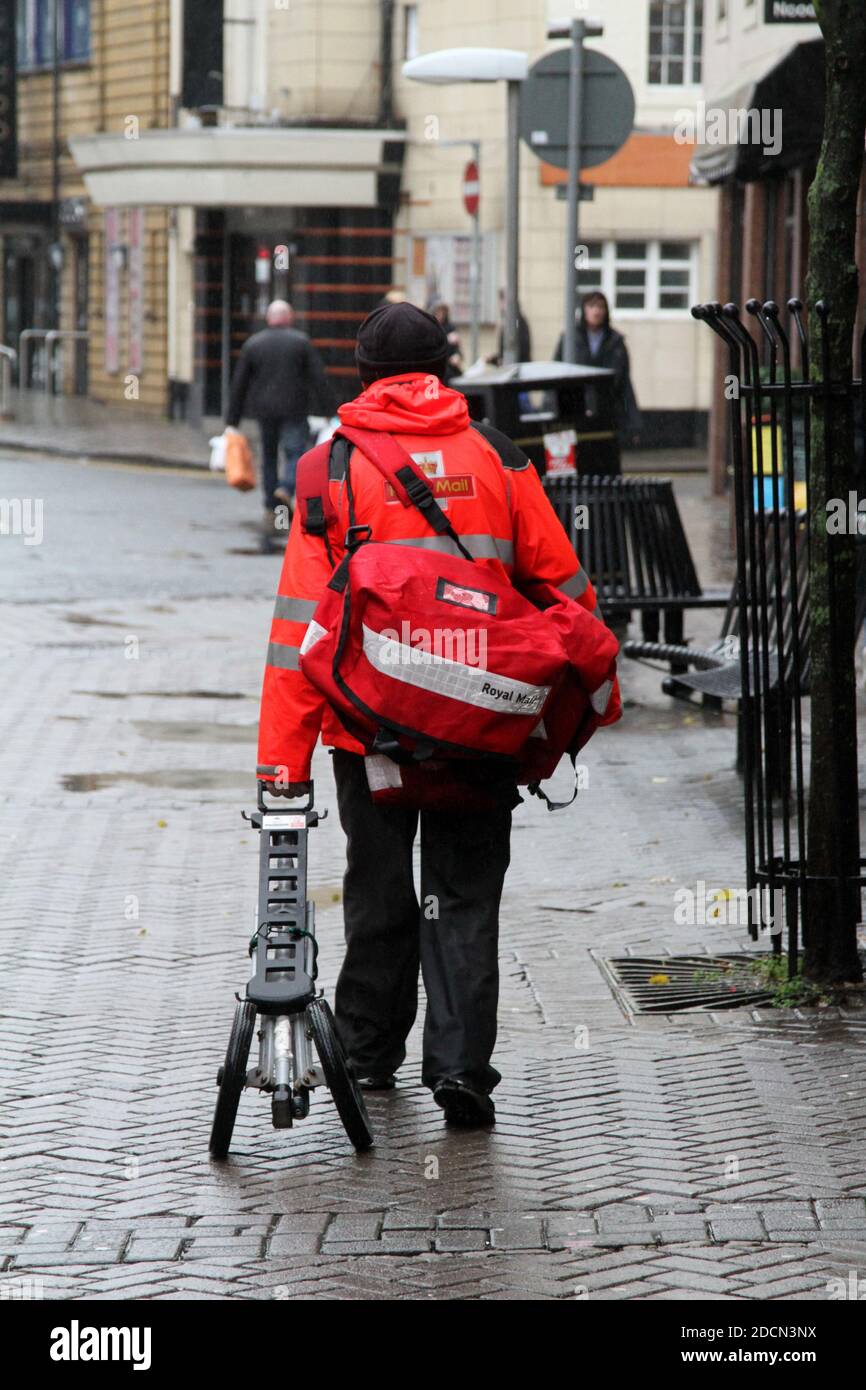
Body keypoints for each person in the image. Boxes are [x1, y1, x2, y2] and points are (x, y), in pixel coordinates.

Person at [256, 302, 607, 1128]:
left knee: (379, 891)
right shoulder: (497, 455)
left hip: (366, 726)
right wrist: (590, 700)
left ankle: (369, 1055)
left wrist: (282, 760)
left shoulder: (327, 468)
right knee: (464, 894)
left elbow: (298, 630)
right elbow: (563, 590)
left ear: (364, 374)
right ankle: (459, 1069)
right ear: (446, 365)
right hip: (479, 723)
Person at [226, 300, 337, 528]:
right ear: (290, 318)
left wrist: (232, 421)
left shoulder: (253, 344)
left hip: (264, 410)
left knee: (269, 456)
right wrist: (329, 411)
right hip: (294, 408)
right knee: (295, 451)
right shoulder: (301, 342)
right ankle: (286, 488)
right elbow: (319, 379)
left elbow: (239, 385)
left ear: (269, 319)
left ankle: (271, 505)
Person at [554, 291, 642, 464]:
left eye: (601, 307)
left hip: (606, 413)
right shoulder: (570, 339)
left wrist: (633, 423)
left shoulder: (616, 342)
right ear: (584, 310)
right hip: (576, 412)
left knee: (605, 462)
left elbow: (624, 385)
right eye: (592, 306)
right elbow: (555, 375)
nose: (596, 311)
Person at [487, 287, 532, 365]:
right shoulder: (509, 321)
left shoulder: (517, 321)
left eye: (502, 302)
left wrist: (503, 359)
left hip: (518, 367)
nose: (501, 306)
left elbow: (520, 346)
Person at [429, 300, 464, 380]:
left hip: (450, 367)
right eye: (437, 312)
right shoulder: (430, 327)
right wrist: (446, 339)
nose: (440, 315)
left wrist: (457, 355)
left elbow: (457, 348)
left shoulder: (450, 327)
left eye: (442, 313)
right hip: (435, 368)